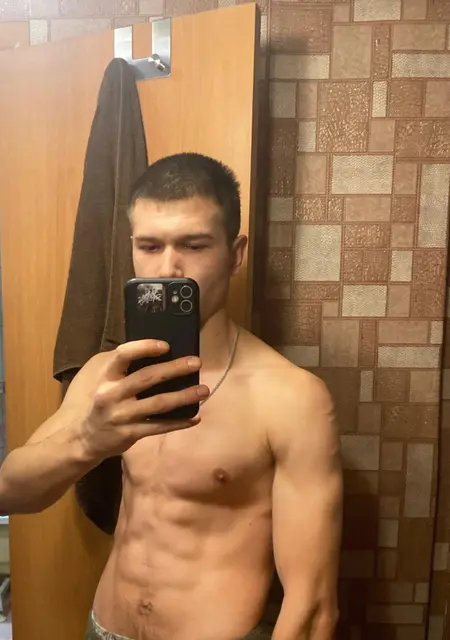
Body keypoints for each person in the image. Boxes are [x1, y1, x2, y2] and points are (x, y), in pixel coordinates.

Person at [0, 153, 342, 640]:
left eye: (193, 245)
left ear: (236, 253)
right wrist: (87, 440)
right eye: (150, 246)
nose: (168, 269)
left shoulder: (291, 398)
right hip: (104, 629)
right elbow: (10, 490)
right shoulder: (105, 374)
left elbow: (312, 606)